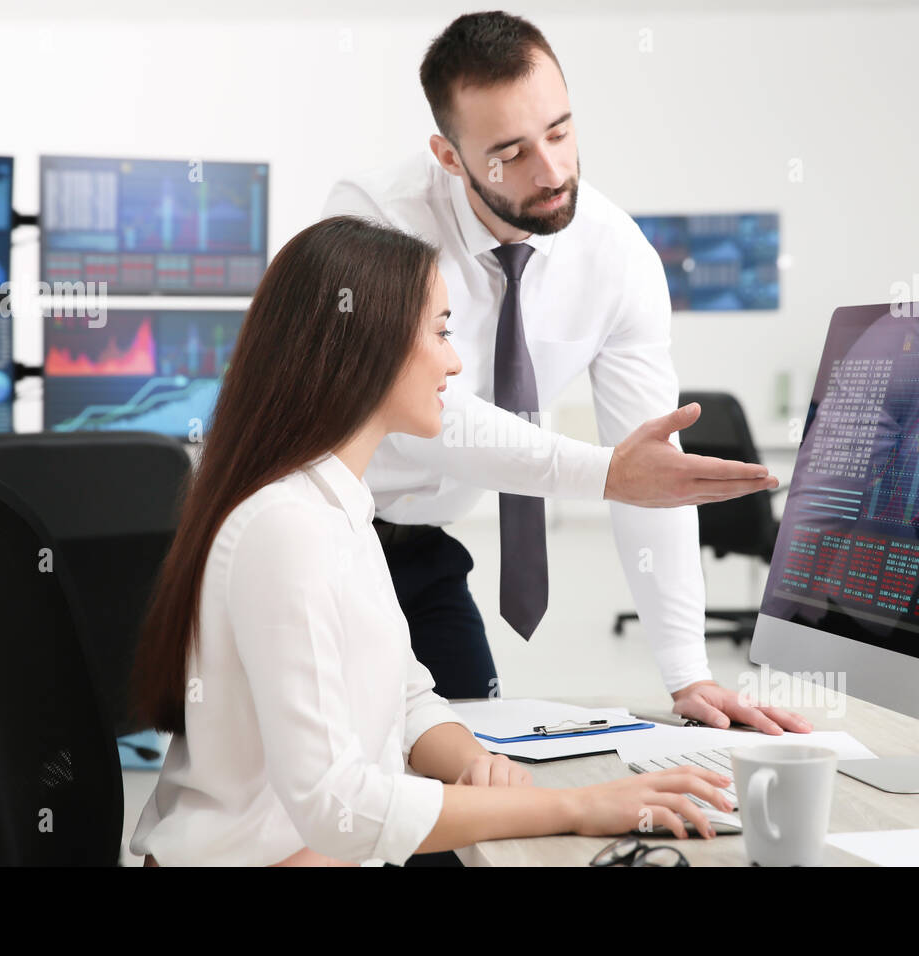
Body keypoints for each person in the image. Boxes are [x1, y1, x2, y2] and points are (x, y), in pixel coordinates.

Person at [127, 216, 735, 866]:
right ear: (367, 344)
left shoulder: (338, 508)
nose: (455, 360)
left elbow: (406, 697)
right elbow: (340, 808)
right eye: (442, 332)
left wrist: (477, 761)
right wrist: (579, 805)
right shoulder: (285, 527)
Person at [321, 11, 811, 733]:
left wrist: (688, 672)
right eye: (510, 152)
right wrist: (604, 472)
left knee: (469, 769)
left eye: (559, 131)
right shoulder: (375, 222)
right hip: (319, 535)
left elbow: (652, 467)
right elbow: (425, 414)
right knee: (305, 794)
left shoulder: (616, 257)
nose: (551, 172)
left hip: (420, 545)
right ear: (449, 156)